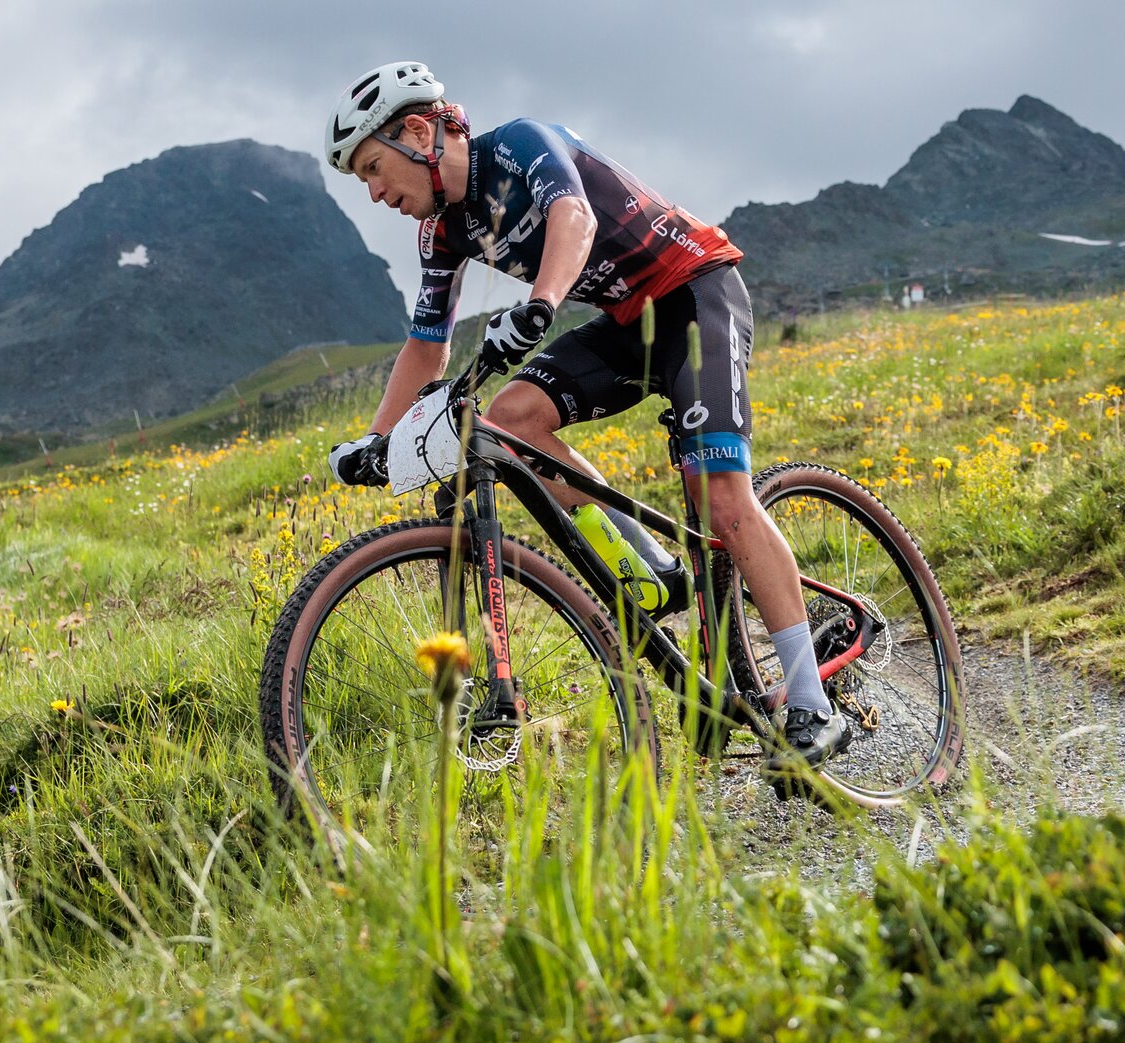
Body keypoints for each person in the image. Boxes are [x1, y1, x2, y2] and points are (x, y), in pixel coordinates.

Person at [321, 60, 849, 770]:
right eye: (364, 182)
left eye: (375, 169)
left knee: (719, 500)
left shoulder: (516, 148)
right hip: (628, 321)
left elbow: (574, 215)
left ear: (420, 132)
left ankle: (811, 702)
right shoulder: (441, 233)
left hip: (694, 291)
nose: (377, 192)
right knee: (504, 421)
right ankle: (655, 567)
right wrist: (376, 440)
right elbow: (427, 342)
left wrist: (538, 303)